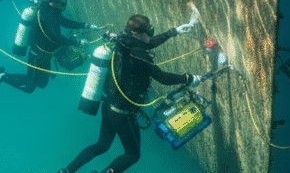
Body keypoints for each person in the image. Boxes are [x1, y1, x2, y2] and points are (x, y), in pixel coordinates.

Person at [57, 14, 200, 173]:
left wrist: (173, 32)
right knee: (132, 154)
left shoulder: (123, 41)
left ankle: (68, 170)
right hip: (122, 113)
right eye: (149, 31)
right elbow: (163, 78)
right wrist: (190, 78)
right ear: (139, 33)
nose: (151, 34)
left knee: (101, 145)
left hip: (109, 105)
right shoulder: (140, 56)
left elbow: (147, 44)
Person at [0, 0, 98, 116]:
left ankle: (1, 74)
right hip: (37, 55)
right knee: (30, 87)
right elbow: (55, 37)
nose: (64, 3)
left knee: (41, 84)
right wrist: (77, 42)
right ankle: (1, 77)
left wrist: (86, 26)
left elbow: (65, 22)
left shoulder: (51, 10)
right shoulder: (46, 15)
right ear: (53, 2)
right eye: (61, 1)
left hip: (45, 55)